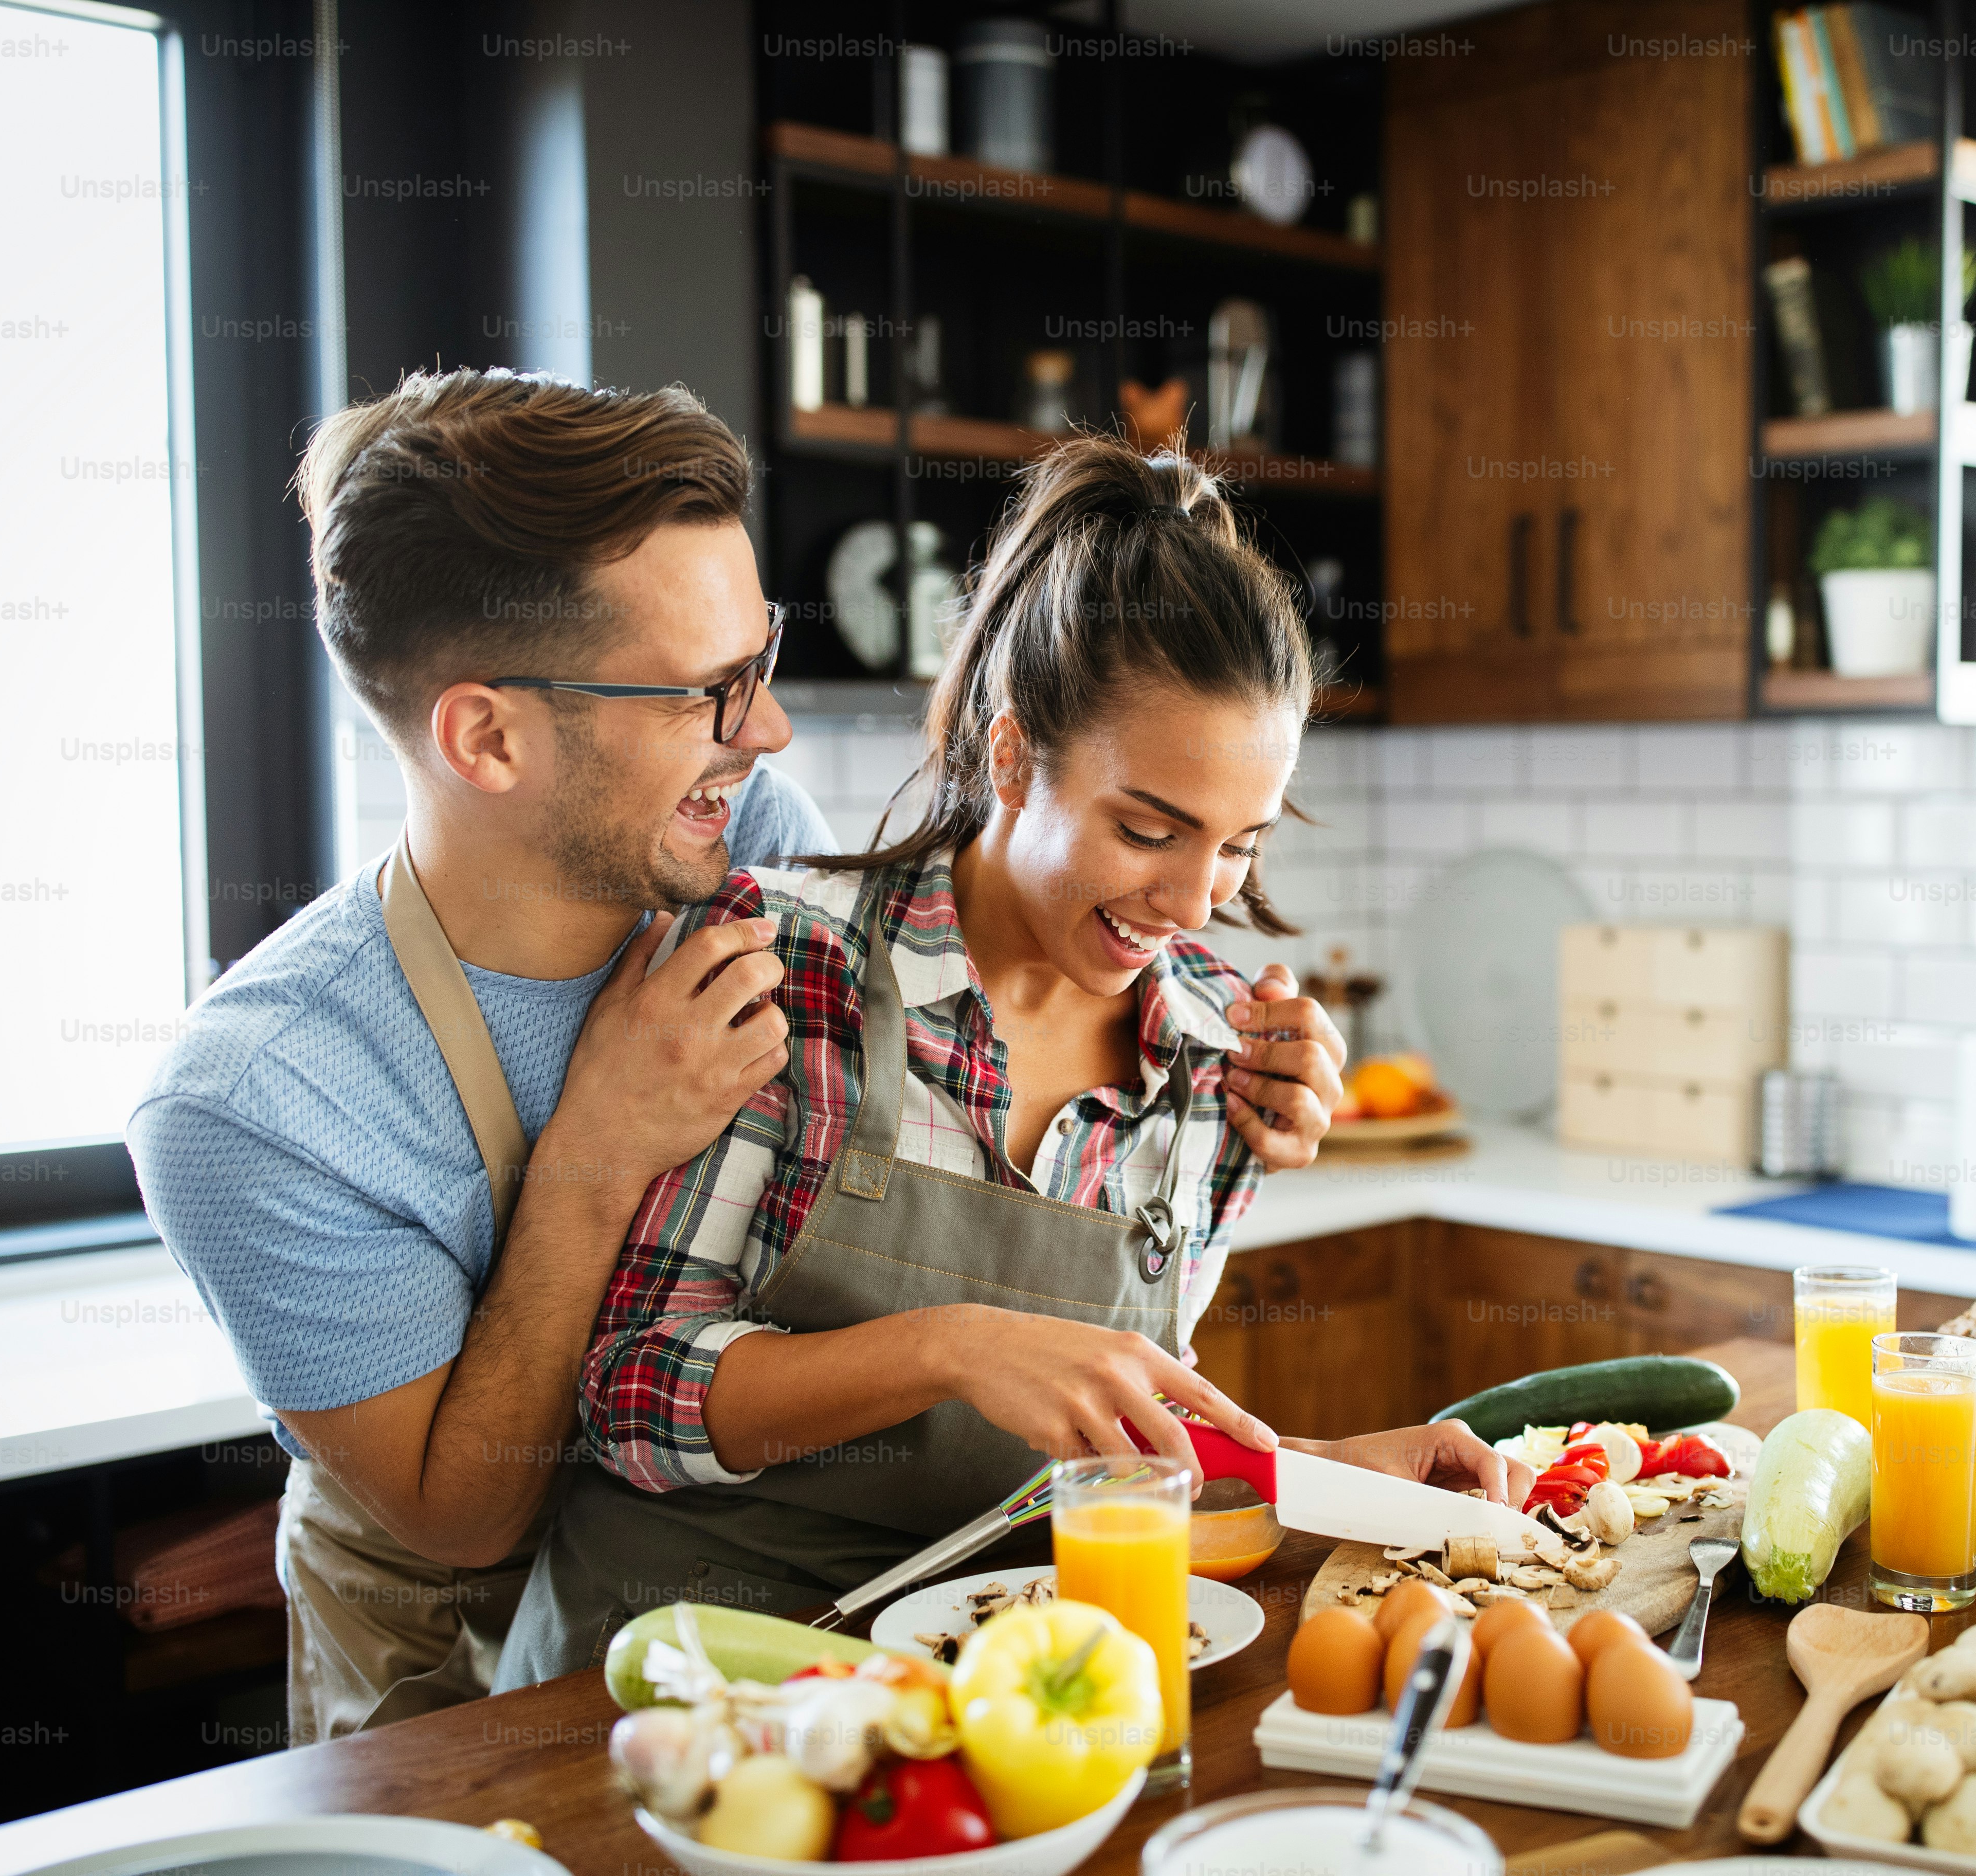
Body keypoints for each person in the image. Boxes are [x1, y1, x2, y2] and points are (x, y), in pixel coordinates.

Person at [497, 439, 1529, 1681]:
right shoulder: (786, 965)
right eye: (1150, 830)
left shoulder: (1212, 1054)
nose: (1195, 903)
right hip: (682, 1677)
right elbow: (629, 1392)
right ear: (1012, 759)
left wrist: (1336, 1474)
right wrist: (952, 1346)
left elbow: (1118, 1462)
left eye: (1241, 848)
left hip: (995, 1683)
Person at [128, 370, 835, 1742]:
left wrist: (1214, 1064)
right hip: (466, 1722)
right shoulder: (256, 1102)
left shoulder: (756, 843)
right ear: (487, 736)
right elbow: (464, 1515)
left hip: (764, 1655)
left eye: (762, 664)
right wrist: (596, 1147)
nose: (766, 732)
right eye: (709, 692)